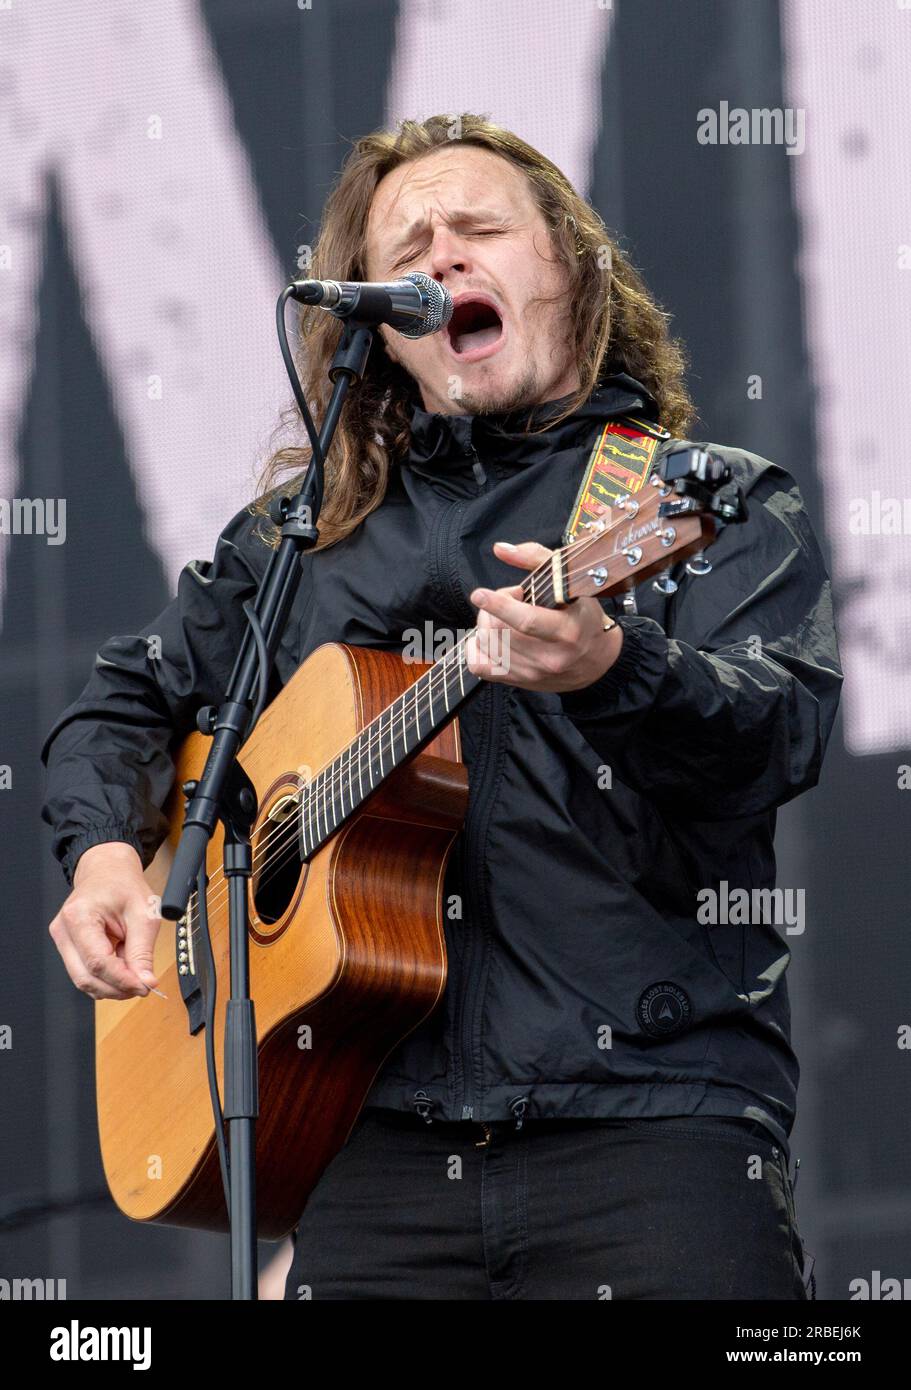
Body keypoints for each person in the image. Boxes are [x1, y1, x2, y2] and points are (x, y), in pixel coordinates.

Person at [41, 114, 842, 1300]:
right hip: (374, 1159)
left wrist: (610, 670)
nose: (443, 257)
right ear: (382, 331)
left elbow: (776, 732)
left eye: (479, 227)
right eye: (408, 246)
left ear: (570, 264)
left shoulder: (691, 502)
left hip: (652, 1132)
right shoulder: (305, 541)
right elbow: (126, 701)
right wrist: (105, 853)